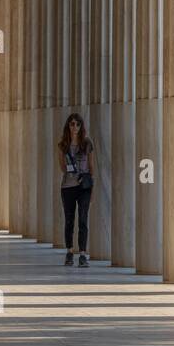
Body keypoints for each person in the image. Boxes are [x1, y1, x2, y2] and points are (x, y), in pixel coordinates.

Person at [57, 113, 95, 267]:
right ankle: (70, 252)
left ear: (81, 126)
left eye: (78, 124)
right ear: (68, 126)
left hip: (84, 186)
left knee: (83, 220)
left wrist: (93, 187)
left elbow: (92, 167)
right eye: (72, 124)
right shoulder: (62, 145)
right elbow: (61, 168)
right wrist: (69, 163)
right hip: (68, 186)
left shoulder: (87, 143)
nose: (75, 127)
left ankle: (83, 254)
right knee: (69, 220)